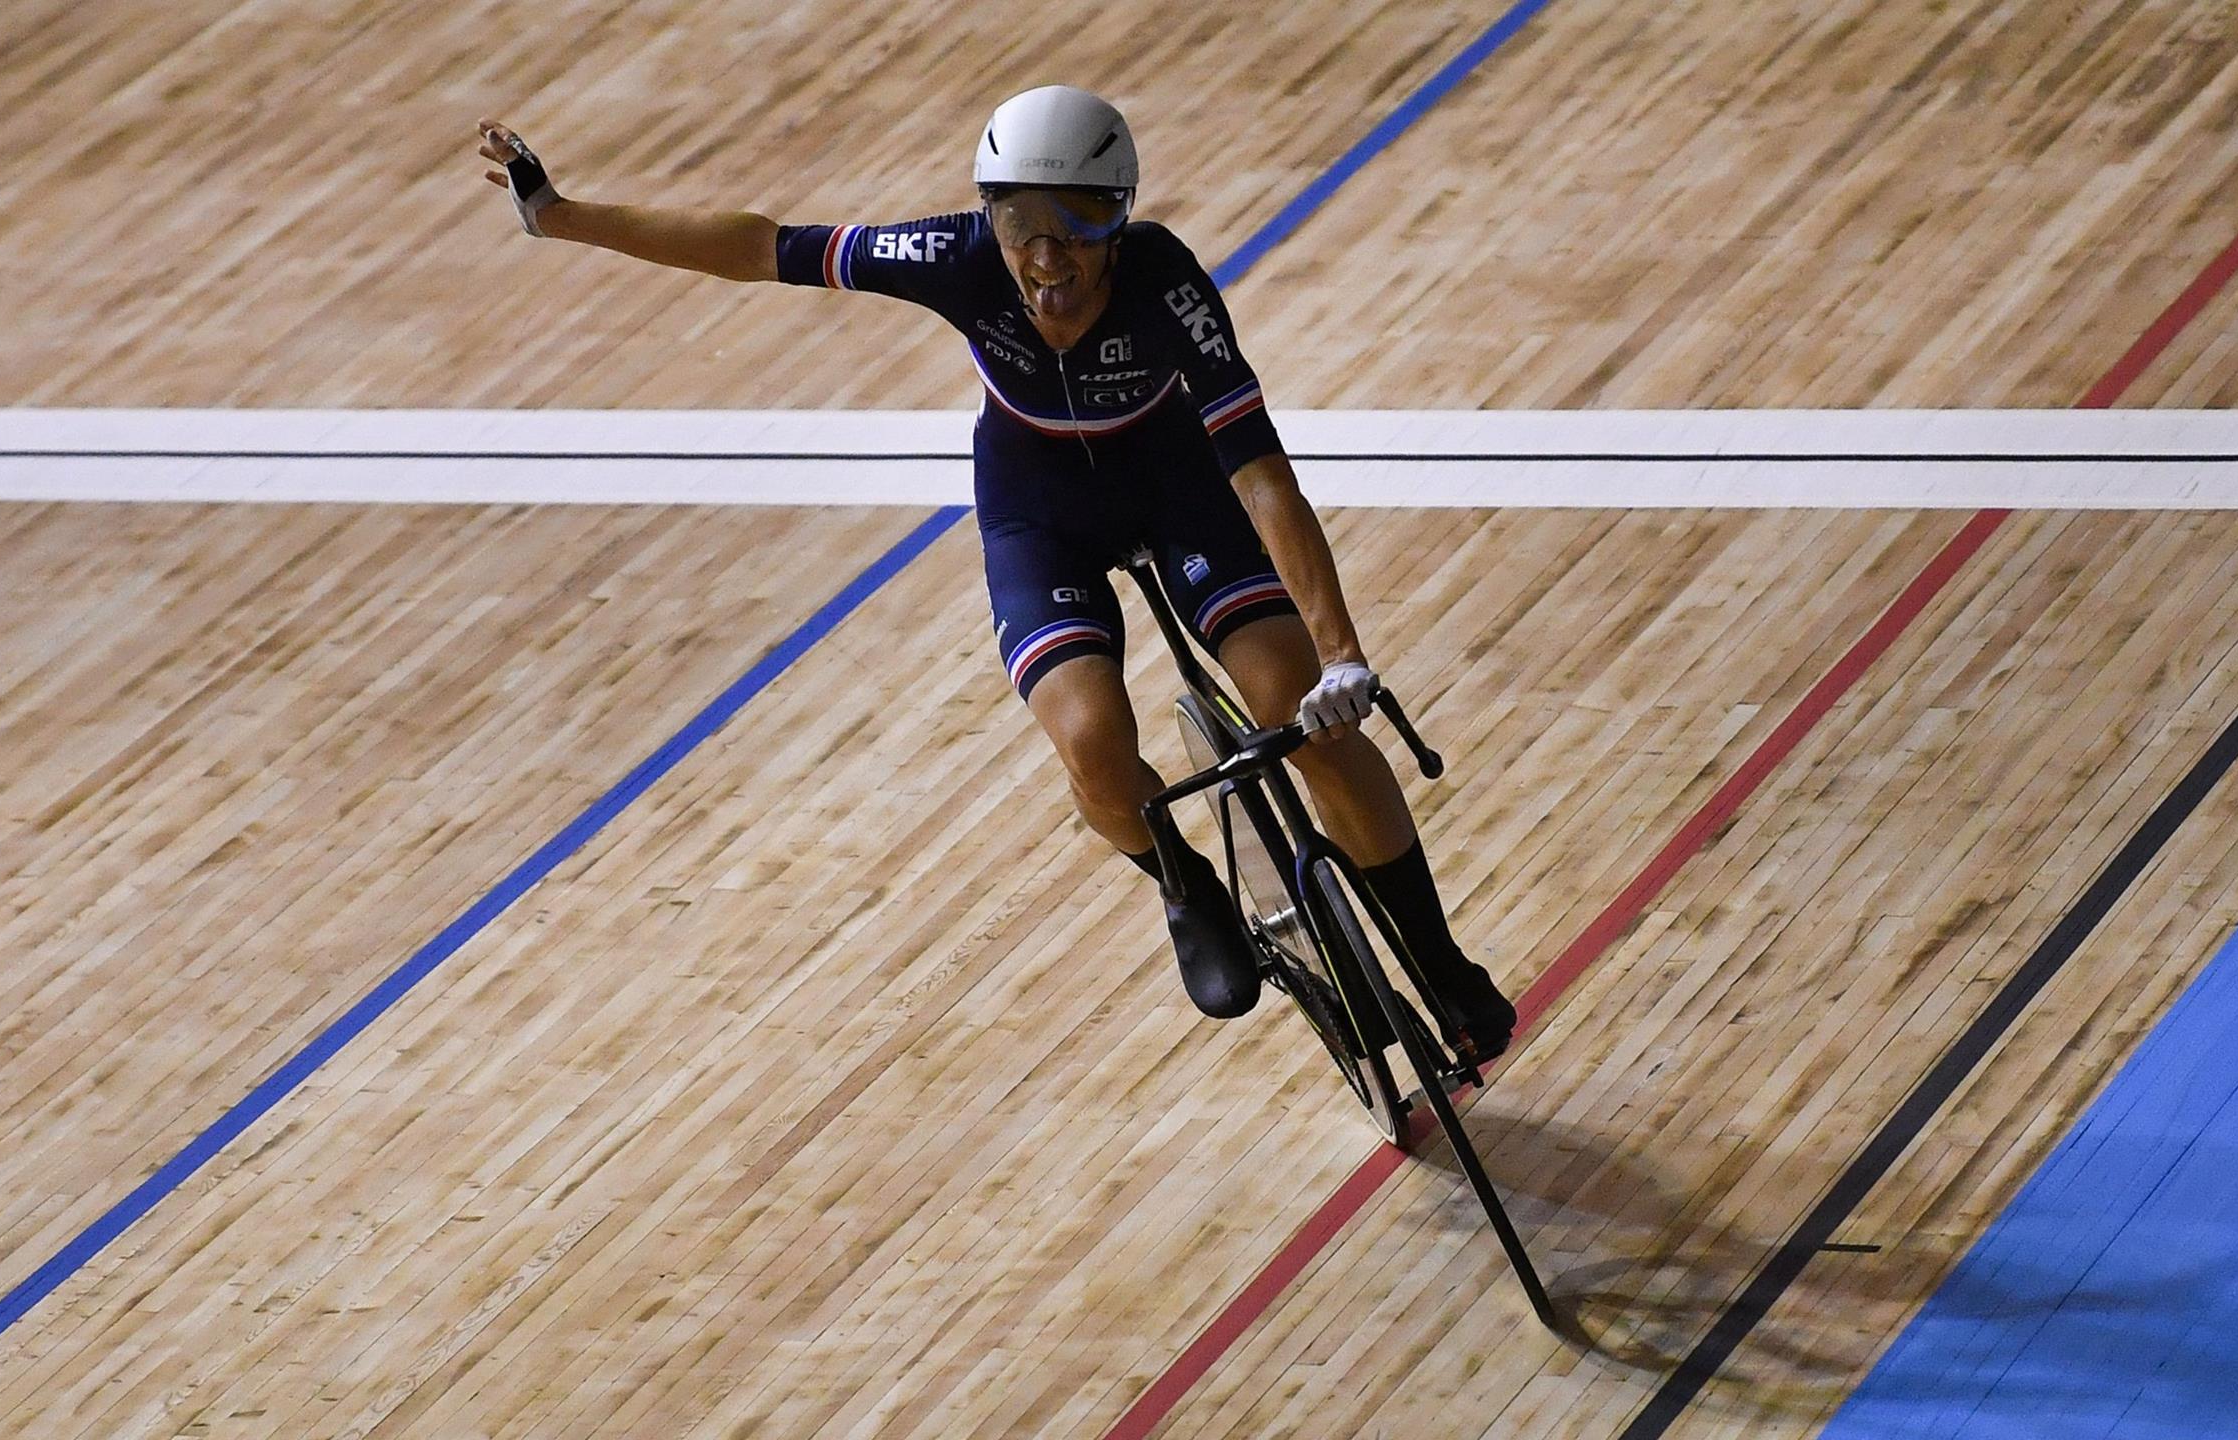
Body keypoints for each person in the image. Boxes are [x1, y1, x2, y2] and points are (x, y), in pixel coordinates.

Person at [474, 87, 1516, 1058]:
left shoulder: (1167, 284)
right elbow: (762, 247)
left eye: (1077, 224)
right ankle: (1185, 880)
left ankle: (1439, 965)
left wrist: (1342, 653)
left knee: (1302, 711)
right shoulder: (958, 258)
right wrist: (560, 215)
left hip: (1178, 491)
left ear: (1120, 218)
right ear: (989, 218)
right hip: (1037, 512)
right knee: (1093, 743)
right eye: (1020, 224)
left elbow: (1260, 476)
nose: (1046, 256)